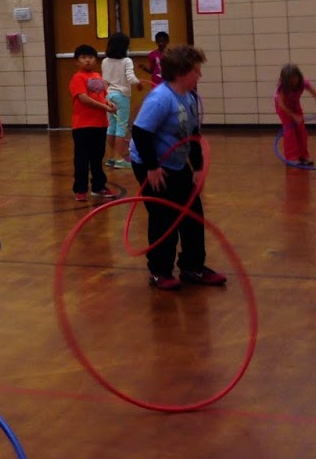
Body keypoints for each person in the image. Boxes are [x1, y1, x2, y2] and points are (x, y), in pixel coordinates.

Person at [131, 44, 225, 291]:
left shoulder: (189, 96)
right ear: (182, 72)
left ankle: (193, 266)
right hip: (151, 163)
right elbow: (140, 133)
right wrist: (152, 168)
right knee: (164, 218)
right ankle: (159, 271)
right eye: (196, 70)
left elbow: (192, 135)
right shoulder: (160, 99)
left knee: (193, 215)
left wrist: (198, 168)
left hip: (176, 163)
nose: (200, 75)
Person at [70, 45, 111, 201]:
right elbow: (84, 99)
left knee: (97, 158)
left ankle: (98, 186)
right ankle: (80, 189)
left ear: (96, 60)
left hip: (100, 124)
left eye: (91, 57)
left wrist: (109, 104)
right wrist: (105, 107)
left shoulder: (98, 76)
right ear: (77, 61)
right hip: (82, 126)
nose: (87, 60)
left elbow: (103, 97)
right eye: (83, 57)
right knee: (82, 159)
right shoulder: (78, 78)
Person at [99, 34, 140, 169]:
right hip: (122, 96)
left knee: (111, 126)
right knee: (121, 127)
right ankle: (119, 159)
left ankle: (111, 158)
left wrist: (105, 97)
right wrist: (138, 82)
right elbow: (131, 78)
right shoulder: (127, 61)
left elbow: (104, 81)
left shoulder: (105, 61)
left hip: (109, 96)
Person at [275, 63, 316, 166]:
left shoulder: (303, 83)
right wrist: (293, 115)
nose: (293, 81)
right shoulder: (282, 88)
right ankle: (291, 157)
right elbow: (281, 105)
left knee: (301, 131)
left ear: (299, 76)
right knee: (290, 132)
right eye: (290, 79)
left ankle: (303, 156)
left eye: (295, 77)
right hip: (284, 108)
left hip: (295, 105)